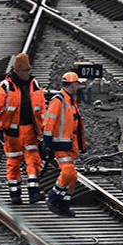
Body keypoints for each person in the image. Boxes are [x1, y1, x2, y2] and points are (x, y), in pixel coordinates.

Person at [0, 52, 47, 204]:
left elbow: (41, 111)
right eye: (25, 71)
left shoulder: (35, 85)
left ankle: (34, 192)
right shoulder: (4, 87)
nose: (28, 74)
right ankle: (15, 195)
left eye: (29, 71)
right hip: (12, 133)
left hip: (30, 130)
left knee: (33, 160)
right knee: (13, 162)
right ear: (17, 71)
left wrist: (46, 131)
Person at [41, 72, 87, 216]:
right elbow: (49, 122)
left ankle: (64, 204)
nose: (78, 86)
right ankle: (53, 197)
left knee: (72, 177)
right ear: (71, 84)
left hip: (70, 144)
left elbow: (75, 125)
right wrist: (47, 142)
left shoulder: (70, 101)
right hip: (60, 144)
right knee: (68, 172)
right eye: (77, 84)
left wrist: (81, 144)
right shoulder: (59, 100)